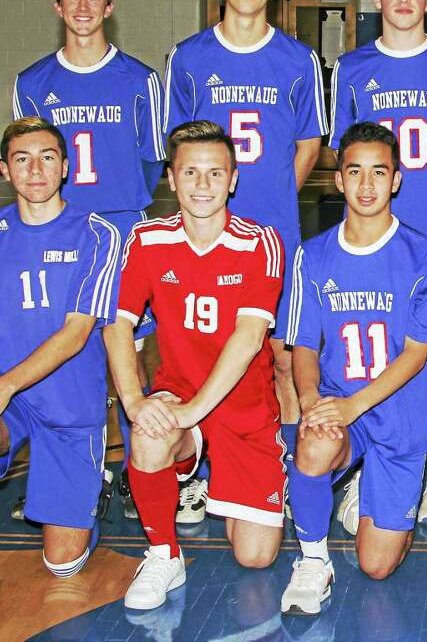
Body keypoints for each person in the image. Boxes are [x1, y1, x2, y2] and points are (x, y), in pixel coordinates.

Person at [164, 0, 327, 515]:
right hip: (206, 230)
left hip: (275, 230)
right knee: (205, 350)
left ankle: (276, 464)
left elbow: (310, 140)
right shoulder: (187, 57)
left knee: (281, 355)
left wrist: (277, 191)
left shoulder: (297, 59)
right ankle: (200, 468)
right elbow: (180, 146)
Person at [108, 120, 286, 611]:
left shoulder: (259, 242)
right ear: (171, 178)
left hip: (245, 413)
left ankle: (188, 467)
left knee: (255, 558)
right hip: (179, 396)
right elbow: (117, 326)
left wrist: (192, 412)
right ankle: (164, 551)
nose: (202, 186)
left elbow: (250, 337)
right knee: (148, 431)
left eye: (214, 174)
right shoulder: (146, 240)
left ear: (232, 180)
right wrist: (136, 403)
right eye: (190, 173)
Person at [328, 0, 427, 527]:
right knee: (376, 344)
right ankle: (373, 463)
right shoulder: (352, 67)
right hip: (367, 223)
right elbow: (344, 153)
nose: (405, 0)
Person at [0, 118, 120, 625]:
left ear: (65, 167)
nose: (36, 168)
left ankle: (90, 489)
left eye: (48, 156)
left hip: (70, 407)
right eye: (22, 159)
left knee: (63, 564)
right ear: (5, 170)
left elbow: (75, 334)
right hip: (11, 402)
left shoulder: (98, 233)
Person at [12, 0, 165, 520]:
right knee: (65, 353)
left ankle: (135, 467)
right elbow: (28, 162)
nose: (82, 8)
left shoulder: (140, 79)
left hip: (123, 229)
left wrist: (120, 209)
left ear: (110, 6)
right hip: (61, 233)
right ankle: (79, 468)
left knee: (129, 350)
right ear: (57, 7)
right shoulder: (33, 83)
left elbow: (153, 159)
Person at [280, 123, 427, 614]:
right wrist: (312, 403)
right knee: (313, 441)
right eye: (355, 172)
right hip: (338, 401)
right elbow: (304, 346)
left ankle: (367, 488)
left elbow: (417, 354)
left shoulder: (424, 256)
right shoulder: (312, 256)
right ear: (338, 179)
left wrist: (353, 406)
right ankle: (313, 561)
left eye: (380, 172)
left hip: (396, 417)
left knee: (377, 567)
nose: (368, 185)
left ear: (396, 179)